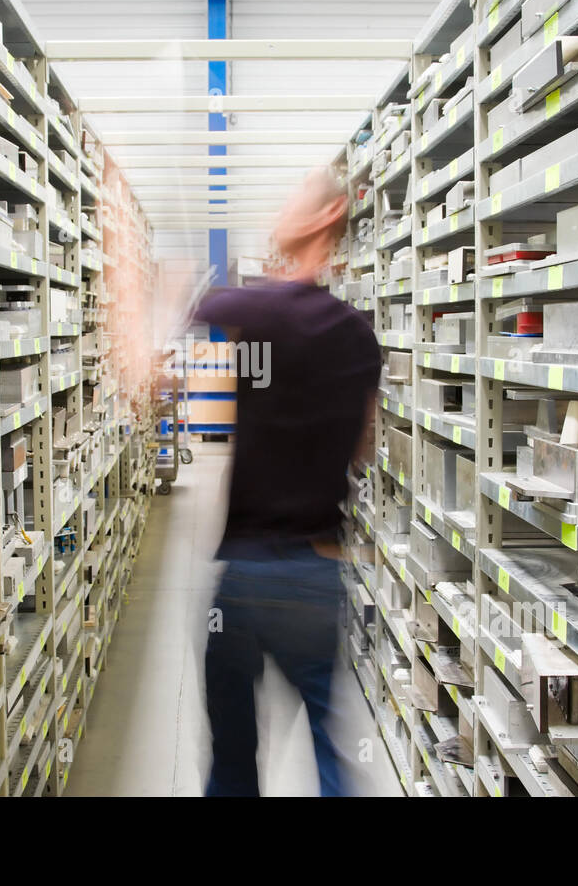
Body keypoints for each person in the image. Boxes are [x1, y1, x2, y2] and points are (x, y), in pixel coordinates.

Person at [193, 167, 382, 797]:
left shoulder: (259, 308)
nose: (281, 208)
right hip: (316, 573)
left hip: (247, 578)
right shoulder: (359, 337)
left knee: (233, 759)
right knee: (331, 749)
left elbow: (208, 306)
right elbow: (362, 450)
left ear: (324, 219)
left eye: (294, 199)